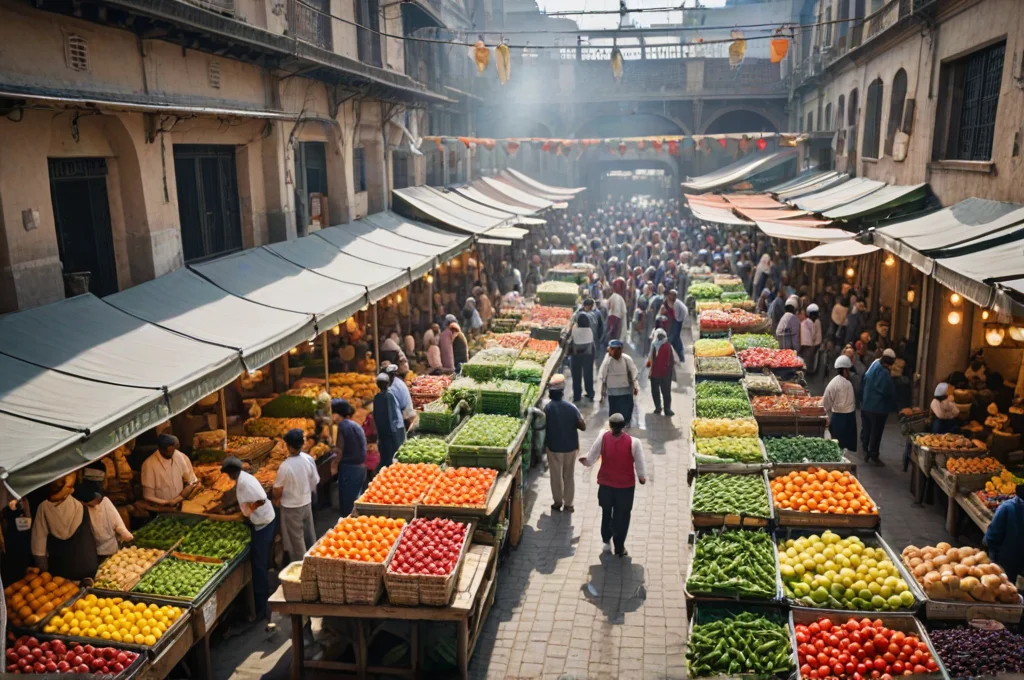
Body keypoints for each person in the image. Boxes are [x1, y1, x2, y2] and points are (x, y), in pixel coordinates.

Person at [578, 413, 647, 557]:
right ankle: (619, 547)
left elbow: (591, 457)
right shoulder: (634, 442)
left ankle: (606, 537)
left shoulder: (603, 437)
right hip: (625, 487)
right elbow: (640, 463)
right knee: (622, 516)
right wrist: (641, 477)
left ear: (610, 426)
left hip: (606, 485)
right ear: (624, 426)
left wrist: (585, 460)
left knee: (606, 512)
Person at [221, 457, 276, 634]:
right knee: (260, 562)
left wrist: (248, 512)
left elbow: (260, 499)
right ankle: (263, 601)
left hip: (263, 523)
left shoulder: (245, 483)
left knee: (258, 566)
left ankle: (262, 607)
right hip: (264, 520)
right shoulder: (244, 478)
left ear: (231, 473)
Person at [31, 478, 99, 580]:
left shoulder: (43, 507)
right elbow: (97, 534)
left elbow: (38, 547)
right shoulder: (80, 505)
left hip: (61, 572)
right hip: (88, 567)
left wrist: (43, 575)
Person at [273, 428, 319, 562]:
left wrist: (277, 497)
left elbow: (277, 490)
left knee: (296, 541)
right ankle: (314, 560)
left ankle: (302, 568)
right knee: (309, 535)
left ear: (288, 446)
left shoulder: (285, 466)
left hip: (291, 508)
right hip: (306, 503)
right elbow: (315, 480)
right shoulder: (308, 459)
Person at [543, 374, 586, 513]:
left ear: (551, 393)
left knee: (556, 476)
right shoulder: (572, 407)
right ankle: (569, 504)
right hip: (571, 448)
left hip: (554, 447)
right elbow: (583, 426)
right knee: (569, 476)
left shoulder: (547, 408)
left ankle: (557, 502)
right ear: (562, 393)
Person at [74, 481, 133, 562]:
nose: (96, 504)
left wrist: (123, 531)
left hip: (112, 547)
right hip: (96, 551)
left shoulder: (105, 501)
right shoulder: (81, 510)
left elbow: (116, 521)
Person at [329, 399, 367, 517]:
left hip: (350, 468)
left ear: (337, 414)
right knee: (356, 498)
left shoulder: (342, 426)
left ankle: (349, 525)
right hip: (360, 467)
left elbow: (340, 449)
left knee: (347, 504)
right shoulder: (354, 424)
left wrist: (334, 465)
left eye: (332, 413)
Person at [860, 348, 898, 464]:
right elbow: (886, 390)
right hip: (878, 408)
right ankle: (873, 455)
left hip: (866, 405)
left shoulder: (875, 364)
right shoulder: (884, 372)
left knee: (866, 429)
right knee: (876, 432)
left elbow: (865, 379)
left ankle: (865, 450)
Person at [141, 434, 199, 506]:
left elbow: (192, 480)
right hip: (161, 508)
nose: (171, 454)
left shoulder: (181, 457)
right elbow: (148, 496)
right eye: (167, 452)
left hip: (181, 504)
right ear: (160, 448)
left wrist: (183, 494)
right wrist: (167, 503)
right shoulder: (148, 464)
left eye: (172, 451)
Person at [983, 484, 1024, 583]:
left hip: (1006, 558)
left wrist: (988, 549)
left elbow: (992, 536)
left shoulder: (1007, 507)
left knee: (1004, 585)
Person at [598, 340, 640, 425]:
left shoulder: (626, 359)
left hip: (625, 390)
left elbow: (633, 374)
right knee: (615, 411)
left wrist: (636, 387)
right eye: (613, 349)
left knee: (625, 411)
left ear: (621, 350)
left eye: (618, 349)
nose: (616, 351)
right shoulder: (608, 361)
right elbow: (603, 377)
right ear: (609, 350)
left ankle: (624, 424)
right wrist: (602, 394)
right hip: (614, 392)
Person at [823, 355, 858, 454]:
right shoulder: (842, 383)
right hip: (843, 418)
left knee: (840, 445)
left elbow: (826, 403)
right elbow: (826, 404)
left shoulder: (835, 383)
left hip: (842, 417)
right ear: (845, 370)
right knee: (841, 445)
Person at [373, 373, 405, 469]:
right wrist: (395, 433)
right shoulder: (389, 395)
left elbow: (375, 415)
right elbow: (393, 416)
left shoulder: (376, 397)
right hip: (390, 431)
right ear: (388, 384)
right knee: (393, 454)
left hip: (382, 431)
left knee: (385, 453)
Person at [647, 328, 680, 416]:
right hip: (660, 373)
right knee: (661, 392)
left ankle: (663, 408)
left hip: (661, 373)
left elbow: (672, 360)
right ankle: (662, 408)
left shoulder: (660, 345)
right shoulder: (659, 346)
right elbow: (650, 359)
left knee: (661, 392)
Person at [569, 300, 596, 402]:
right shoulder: (590, 331)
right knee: (588, 374)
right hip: (589, 355)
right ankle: (590, 393)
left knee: (576, 375)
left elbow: (570, 342)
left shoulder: (575, 331)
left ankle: (577, 396)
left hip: (576, 356)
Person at [800, 303, 823, 373]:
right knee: (810, 357)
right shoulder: (814, 321)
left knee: (807, 357)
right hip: (811, 343)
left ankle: (806, 370)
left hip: (808, 343)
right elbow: (813, 334)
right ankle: (808, 370)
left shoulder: (806, 322)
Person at [665, 289, 687, 358]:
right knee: (676, 337)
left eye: (671, 295)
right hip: (678, 320)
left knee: (674, 337)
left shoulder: (676, 304)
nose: (669, 296)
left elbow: (676, 316)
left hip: (678, 321)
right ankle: (679, 353)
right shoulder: (675, 302)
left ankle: (675, 353)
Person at [605, 278, 628, 343]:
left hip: (617, 333)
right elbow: (614, 316)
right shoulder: (617, 297)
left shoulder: (616, 297)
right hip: (617, 333)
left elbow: (615, 316)